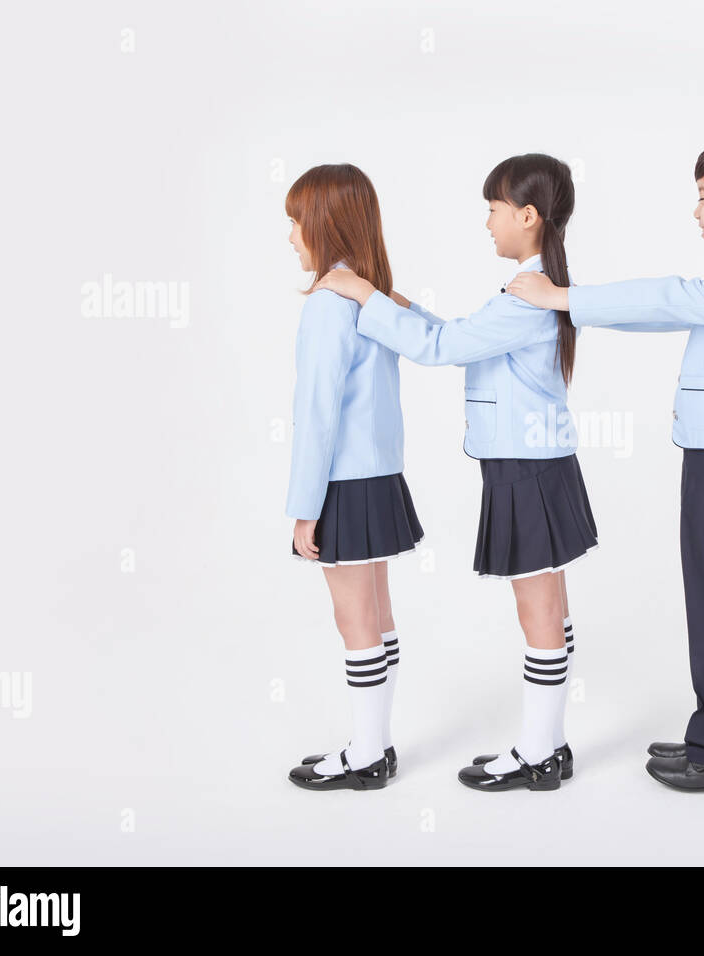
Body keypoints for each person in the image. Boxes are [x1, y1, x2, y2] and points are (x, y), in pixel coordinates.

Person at [508, 132, 704, 796]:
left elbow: (668, 299)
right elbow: (661, 314)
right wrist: (578, 307)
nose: (696, 212)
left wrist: (562, 299)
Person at [313, 153, 595, 792]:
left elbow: (443, 350)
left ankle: (540, 751)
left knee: (539, 605)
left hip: (528, 467)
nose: (487, 222)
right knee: (546, 600)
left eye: (493, 209)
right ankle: (548, 743)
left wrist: (362, 294)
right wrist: (394, 300)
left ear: (527, 216)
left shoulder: (530, 290)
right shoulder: (533, 284)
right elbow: (465, 336)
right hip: (531, 463)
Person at [281, 164, 424, 793]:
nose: (289, 236)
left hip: (341, 482)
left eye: (294, 221)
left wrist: (303, 507)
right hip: (381, 476)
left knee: (354, 620)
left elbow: (316, 415)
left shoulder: (329, 304)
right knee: (378, 612)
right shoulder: (377, 297)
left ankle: (367, 755)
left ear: (323, 222)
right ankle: (376, 746)